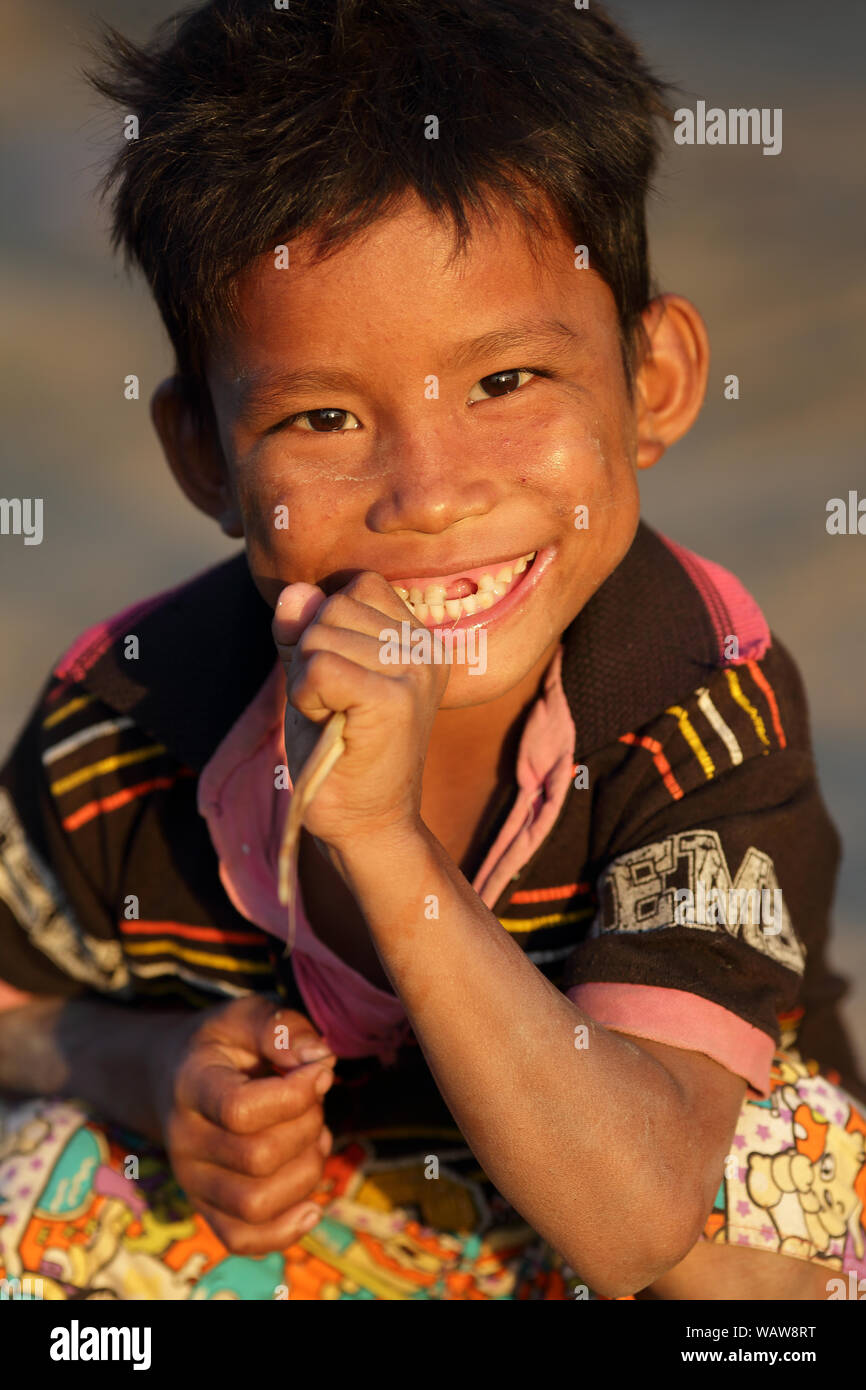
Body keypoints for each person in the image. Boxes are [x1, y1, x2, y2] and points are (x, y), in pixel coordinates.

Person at [1, 0, 863, 1302]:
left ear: (654, 382)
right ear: (205, 458)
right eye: (326, 415)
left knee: (783, 1212)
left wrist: (381, 842)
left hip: (624, 1189)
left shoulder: (695, 707)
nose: (430, 493)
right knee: (36, 1180)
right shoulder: (125, 720)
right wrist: (150, 1069)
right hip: (325, 1237)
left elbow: (635, 1219)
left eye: (506, 384)